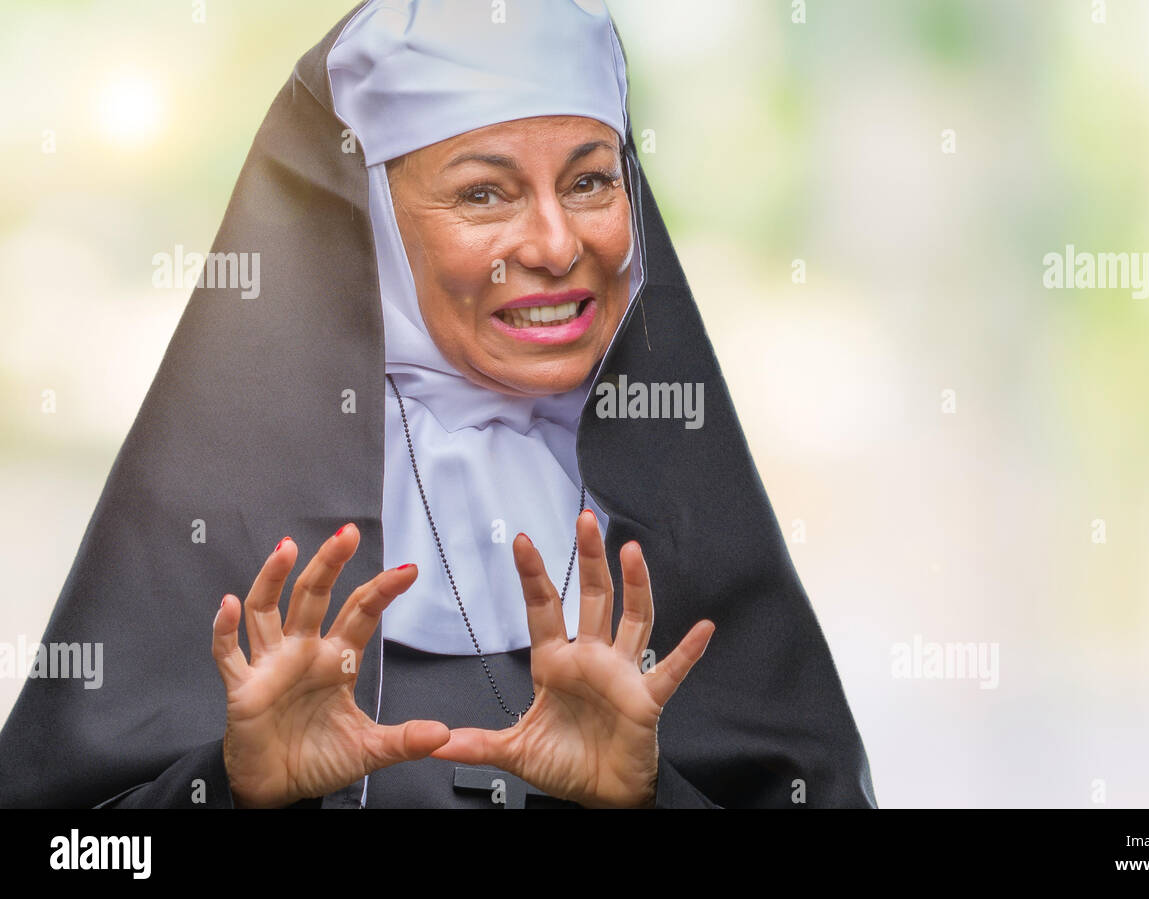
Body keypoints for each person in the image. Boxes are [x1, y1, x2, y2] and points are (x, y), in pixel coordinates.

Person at [0, 0, 879, 809]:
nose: (554, 242)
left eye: (588, 182)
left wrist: (649, 802)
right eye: (483, 193)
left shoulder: (691, 527)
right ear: (373, 222)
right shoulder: (212, 521)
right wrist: (227, 792)